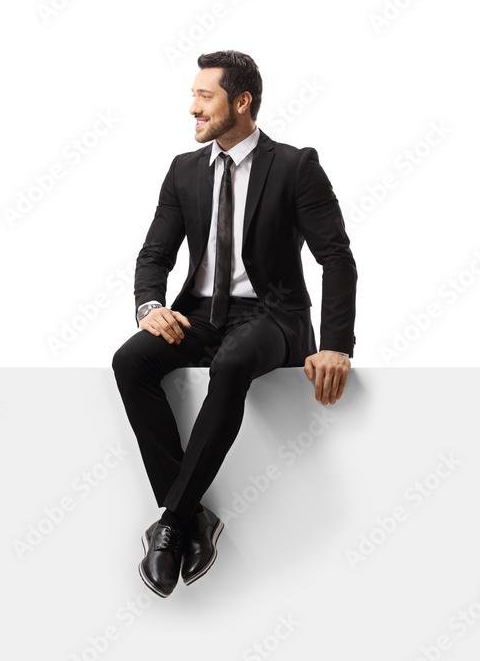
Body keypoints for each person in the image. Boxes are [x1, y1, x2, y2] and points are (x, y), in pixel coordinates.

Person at [111, 50, 356, 598]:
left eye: (205, 97)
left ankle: (171, 522)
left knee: (235, 360)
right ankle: (195, 516)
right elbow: (154, 255)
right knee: (129, 361)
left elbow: (336, 258)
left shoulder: (295, 166)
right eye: (193, 95)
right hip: (198, 314)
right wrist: (152, 308)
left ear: (241, 102)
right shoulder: (183, 170)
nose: (192, 108)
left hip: (273, 313)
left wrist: (338, 346)